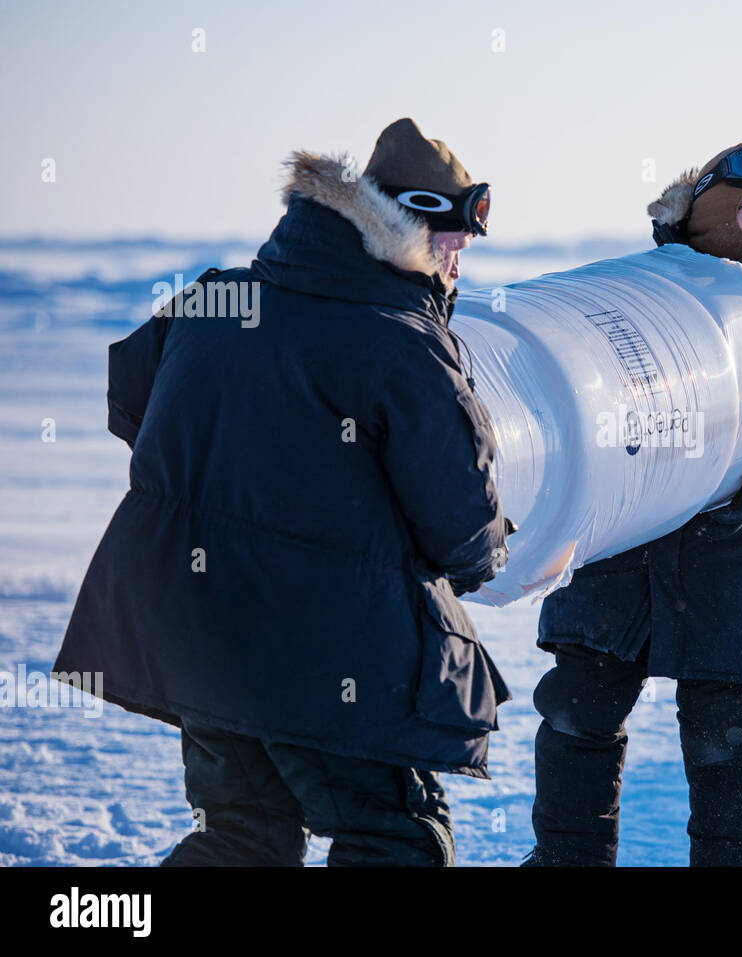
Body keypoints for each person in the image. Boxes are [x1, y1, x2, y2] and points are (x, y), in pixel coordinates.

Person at [53, 118, 513, 866]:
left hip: (196, 636)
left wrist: (238, 483)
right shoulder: (401, 340)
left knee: (241, 838)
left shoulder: (215, 299)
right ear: (410, 227)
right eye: (456, 235)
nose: (462, 255)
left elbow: (129, 396)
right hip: (329, 656)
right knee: (393, 839)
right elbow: (464, 537)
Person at [524, 144, 742, 866]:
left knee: (725, 731)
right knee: (577, 708)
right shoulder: (642, 299)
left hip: (739, 552)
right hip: (622, 542)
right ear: (708, 210)